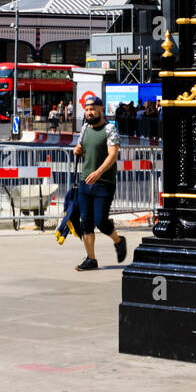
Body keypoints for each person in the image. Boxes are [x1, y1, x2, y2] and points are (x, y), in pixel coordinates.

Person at [73, 96, 127, 271]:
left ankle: (118, 241)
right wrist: (77, 150)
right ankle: (91, 259)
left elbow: (112, 155)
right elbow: (81, 149)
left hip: (104, 182)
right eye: (87, 109)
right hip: (85, 182)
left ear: (101, 110)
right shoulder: (85, 129)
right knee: (86, 222)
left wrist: (98, 173)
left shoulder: (110, 129)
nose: (89, 112)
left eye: (93, 109)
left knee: (100, 221)